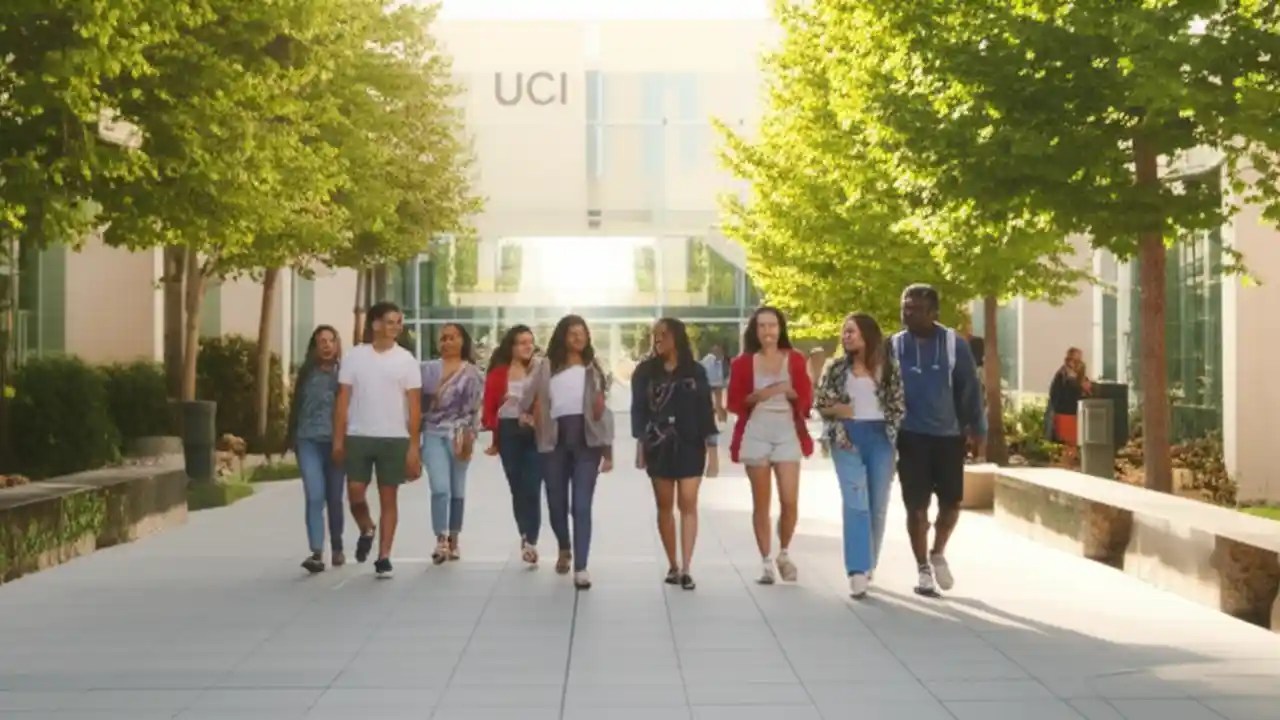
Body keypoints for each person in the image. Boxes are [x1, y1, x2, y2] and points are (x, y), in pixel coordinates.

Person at [891, 284, 985, 597]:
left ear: (933, 313)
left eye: (915, 309)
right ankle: (922, 569)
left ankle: (938, 552)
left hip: (948, 437)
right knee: (916, 509)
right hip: (911, 437)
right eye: (905, 307)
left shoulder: (953, 345)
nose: (908, 313)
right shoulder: (895, 346)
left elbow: (970, 389)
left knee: (951, 504)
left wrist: (976, 429)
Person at [521, 314, 614, 590]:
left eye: (582, 333)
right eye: (572, 333)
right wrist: (527, 416)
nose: (578, 338)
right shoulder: (546, 367)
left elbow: (603, 411)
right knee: (556, 504)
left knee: (581, 505)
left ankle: (582, 567)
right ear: (563, 336)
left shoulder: (594, 368)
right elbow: (526, 400)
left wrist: (608, 451)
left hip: (588, 441)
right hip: (554, 440)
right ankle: (564, 545)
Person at [815, 313, 904, 598]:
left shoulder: (888, 368)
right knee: (856, 502)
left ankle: (868, 566)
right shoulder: (836, 367)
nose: (846, 336)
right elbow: (821, 402)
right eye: (844, 332)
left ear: (867, 334)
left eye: (851, 331)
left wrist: (891, 423)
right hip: (847, 438)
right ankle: (856, 569)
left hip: (881, 439)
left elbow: (900, 406)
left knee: (877, 505)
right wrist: (840, 410)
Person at [333, 301, 423, 579]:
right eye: (390, 321)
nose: (396, 326)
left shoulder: (406, 360)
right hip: (359, 435)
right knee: (355, 493)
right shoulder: (354, 357)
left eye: (399, 321)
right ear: (375, 324)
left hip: (394, 437)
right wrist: (338, 440)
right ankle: (366, 528)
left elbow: (415, 407)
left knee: (389, 497)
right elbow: (343, 400)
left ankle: (384, 556)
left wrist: (413, 447)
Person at [726, 306, 814, 585]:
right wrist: (756, 397)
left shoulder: (795, 360)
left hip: (787, 432)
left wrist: (791, 394)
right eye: (762, 326)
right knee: (760, 503)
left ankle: (784, 552)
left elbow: (807, 400)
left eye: (772, 326)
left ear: (780, 329)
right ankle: (765, 561)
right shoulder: (742, 363)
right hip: (756, 432)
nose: (767, 331)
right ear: (755, 330)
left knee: (789, 501)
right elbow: (734, 403)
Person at [632, 318, 718, 590]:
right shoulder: (645, 371)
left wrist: (713, 450)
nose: (657, 340)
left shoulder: (695, 371)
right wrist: (640, 445)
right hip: (658, 444)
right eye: (654, 335)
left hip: (691, 443)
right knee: (664, 505)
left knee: (689, 502)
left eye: (663, 335)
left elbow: (706, 409)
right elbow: (638, 409)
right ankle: (673, 564)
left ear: (677, 337)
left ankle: (688, 567)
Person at [420, 323, 483, 565]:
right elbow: (416, 401)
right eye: (443, 338)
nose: (447, 342)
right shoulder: (427, 370)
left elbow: (476, 408)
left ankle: (455, 538)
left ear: (462, 341)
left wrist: (470, 436)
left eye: (453, 337)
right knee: (440, 487)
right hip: (433, 432)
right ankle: (440, 538)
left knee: (457, 489)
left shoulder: (473, 374)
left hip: (460, 435)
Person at [482, 324, 544, 565]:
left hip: (534, 432)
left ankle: (531, 542)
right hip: (509, 431)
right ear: (512, 346)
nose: (528, 346)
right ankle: (524, 532)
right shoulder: (499, 373)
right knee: (517, 487)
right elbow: (489, 407)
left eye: (530, 341)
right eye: (522, 342)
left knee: (532, 487)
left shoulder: (540, 369)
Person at [286, 325, 346, 574]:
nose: (326, 345)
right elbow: (297, 406)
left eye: (331, 340)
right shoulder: (306, 373)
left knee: (334, 498)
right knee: (314, 495)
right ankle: (316, 552)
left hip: (336, 443)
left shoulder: (343, 375)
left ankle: (337, 545)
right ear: (315, 345)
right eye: (322, 340)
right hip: (307, 440)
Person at [1047, 346, 1092, 468]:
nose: (1079, 363)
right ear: (1069, 360)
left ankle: (1068, 465)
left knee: (1073, 443)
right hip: (1066, 413)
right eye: (1076, 360)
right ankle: (1066, 466)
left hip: (1074, 412)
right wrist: (1082, 387)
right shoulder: (1064, 374)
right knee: (1070, 442)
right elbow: (1070, 390)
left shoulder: (1075, 374)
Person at [699, 344, 727, 477]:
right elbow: (716, 386)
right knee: (710, 433)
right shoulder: (713, 362)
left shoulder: (709, 362)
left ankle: (712, 466)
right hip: (707, 403)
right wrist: (718, 405)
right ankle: (713, 466)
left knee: (708, 434)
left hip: (704, 403)